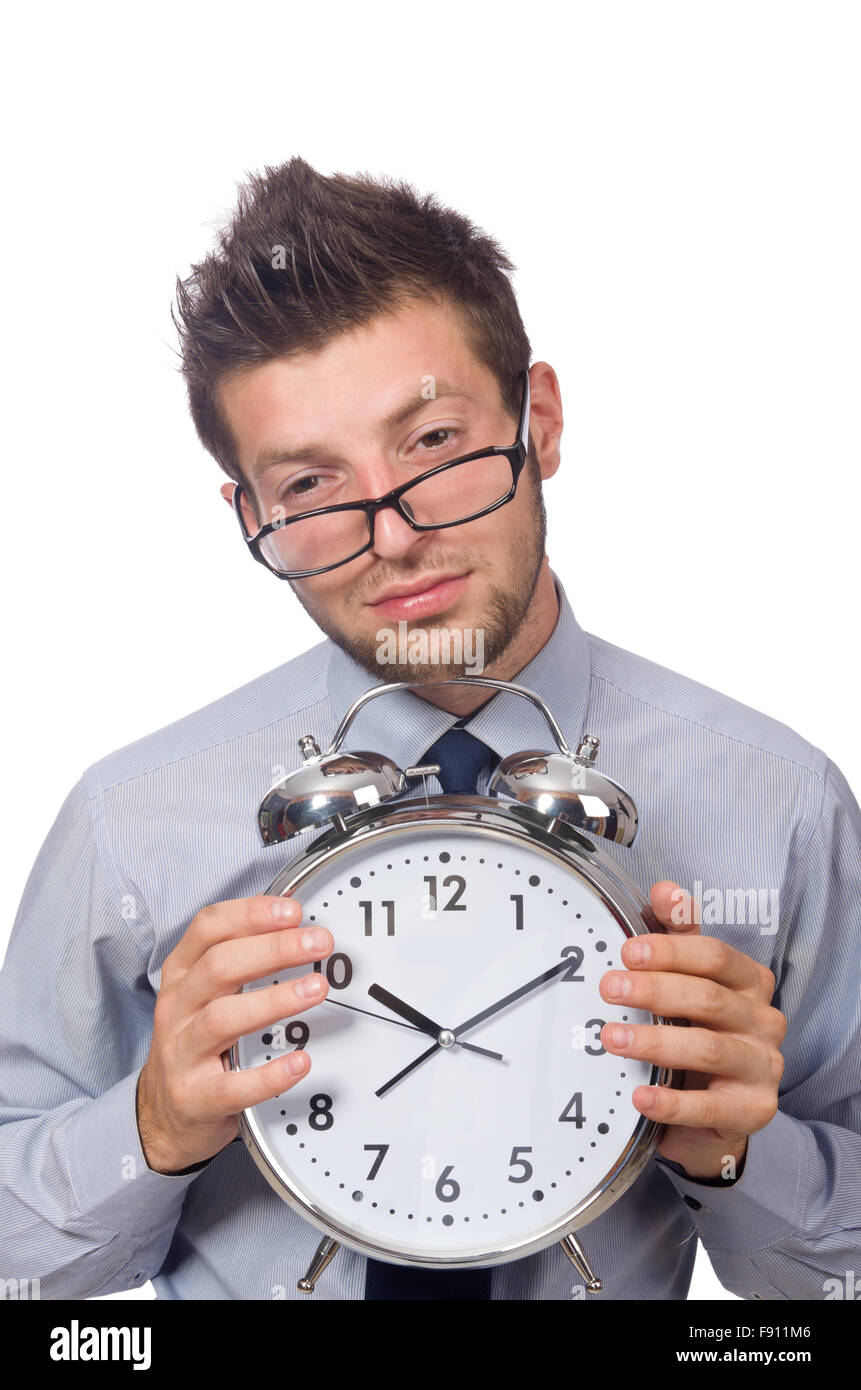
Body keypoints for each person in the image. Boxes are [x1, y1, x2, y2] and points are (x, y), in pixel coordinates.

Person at [1, 157, 859, 1302]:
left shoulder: (778, 801)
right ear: (251, 515)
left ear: (538, 421)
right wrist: (150, 1123)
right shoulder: (130, 821)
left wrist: (743, 1152)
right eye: (310, 487)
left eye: (436, 444)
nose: (392, 538)